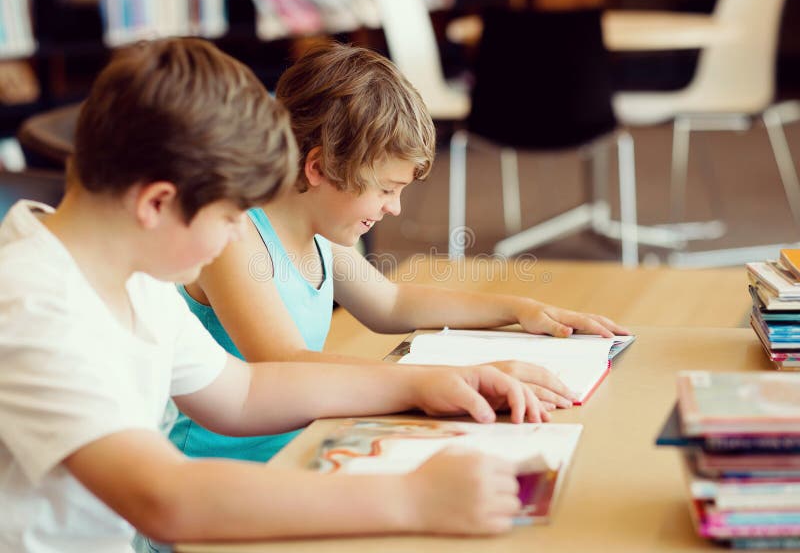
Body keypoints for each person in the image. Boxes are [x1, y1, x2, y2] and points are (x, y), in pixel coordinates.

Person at [0, 38, 550, 552]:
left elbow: (242, 393)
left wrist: (431, 383)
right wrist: (411, 497)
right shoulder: (36, 306)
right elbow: (164, 498)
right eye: (233, 215)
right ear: (157, 204)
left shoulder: (134, 276)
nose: (241, 234)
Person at [171, 42, 629, 464]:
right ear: (318, 168)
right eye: (386, 188)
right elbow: (283, 362)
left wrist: (520, 309)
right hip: (218, 479)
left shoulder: (321, 234)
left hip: (300, 451)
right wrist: (438, 380)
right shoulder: (233, 238)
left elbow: (389, 304)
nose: (396, 207)